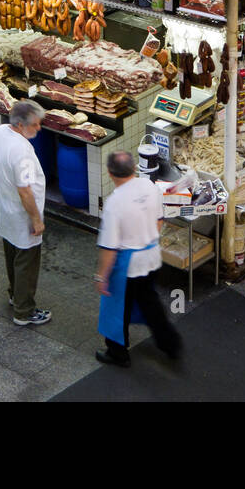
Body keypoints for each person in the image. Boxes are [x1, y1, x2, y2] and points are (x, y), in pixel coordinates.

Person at [94, 150, 181, 367]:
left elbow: (109, 248)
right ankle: (170, 344)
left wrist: (102, 276)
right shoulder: (149, 187)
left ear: (109, 173)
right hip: (151, 257)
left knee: (116, 308)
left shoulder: (114, 203)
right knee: (150, 301)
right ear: (134, 168)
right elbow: (160, 221)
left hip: (128, 265)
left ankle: (117, 353)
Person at [0, 99, 50, 327]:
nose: (39, 128)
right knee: (26, 262)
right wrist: (36, 219)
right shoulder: (22, 151)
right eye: (35, 125)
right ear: (20, 125)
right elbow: (25, 191)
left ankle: (15, 295)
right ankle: (24, 311)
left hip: (5, 208)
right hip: (22, 213)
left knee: (12, 255)